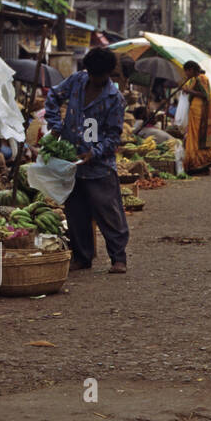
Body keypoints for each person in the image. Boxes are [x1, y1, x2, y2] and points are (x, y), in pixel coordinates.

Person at [44, 47, 129, 274]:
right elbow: (53, 96)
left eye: (99, 76)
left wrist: (96, 152)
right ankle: (82, 257)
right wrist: (55, 125)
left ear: (108, 74)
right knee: (76, 212)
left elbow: (113, 135)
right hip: (72, 161)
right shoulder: (76, 81)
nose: (94, 79)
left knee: (108, 212)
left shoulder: (114, 99)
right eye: (91, 74)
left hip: (99, 166)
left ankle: (118, 258)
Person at [179, 61, 211, 176]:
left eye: (187, 71)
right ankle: (196, 165)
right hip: (196, 112)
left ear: (192, 69)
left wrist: (189, 91)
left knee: (199, 137)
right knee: (195, 137)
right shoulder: (195, 79)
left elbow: (205, 95)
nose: (186, 74)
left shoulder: (202, 78)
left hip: (202, 112)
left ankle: (201, 164)